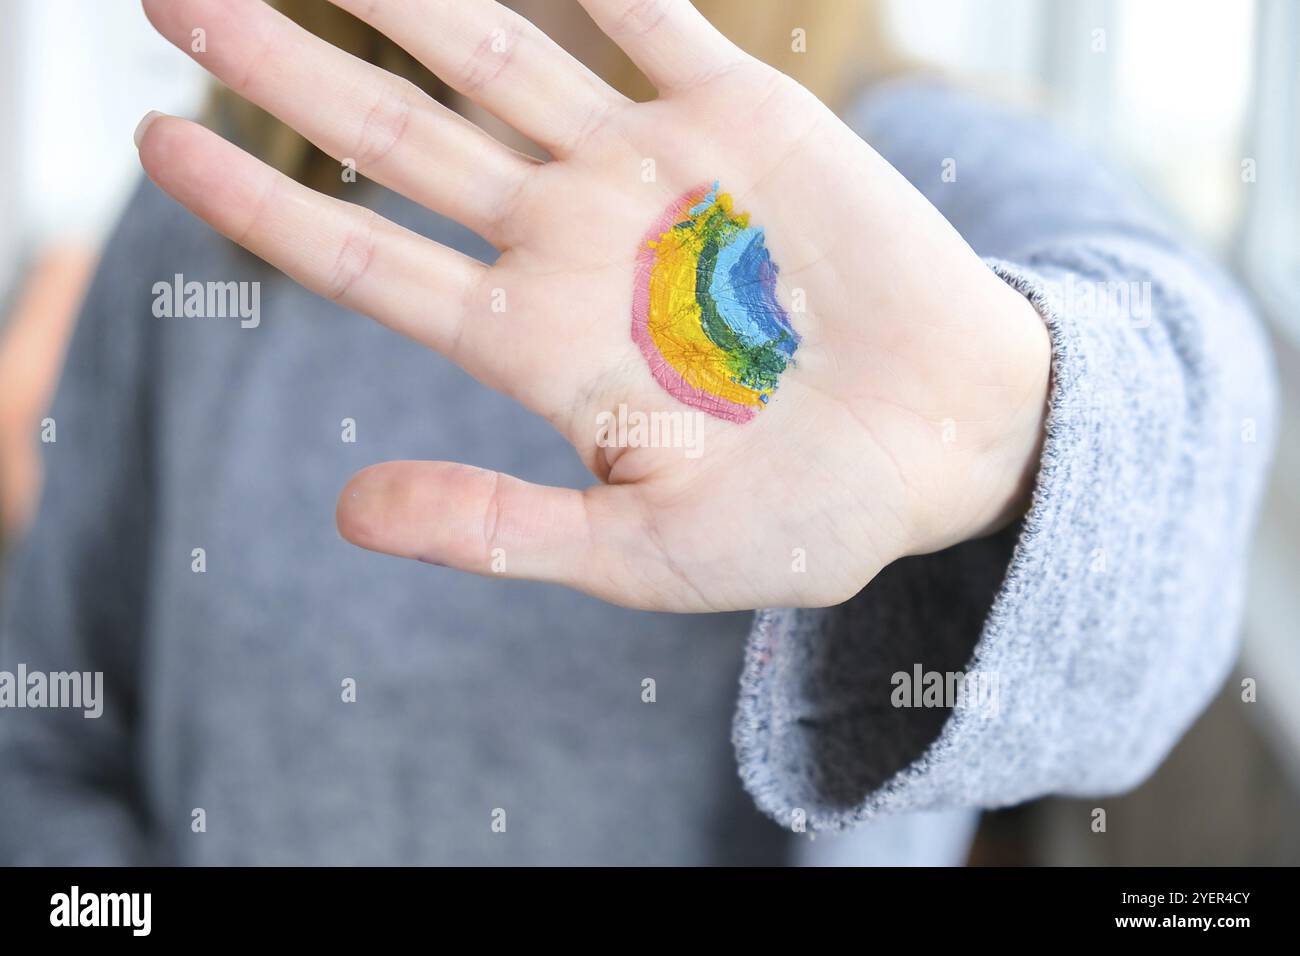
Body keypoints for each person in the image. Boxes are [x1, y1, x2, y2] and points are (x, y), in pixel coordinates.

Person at [0, 0, 1275, 865]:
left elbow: (1185, 423)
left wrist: (1009, 427)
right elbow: (42, 730)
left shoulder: (897, 177)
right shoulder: (220, 208)